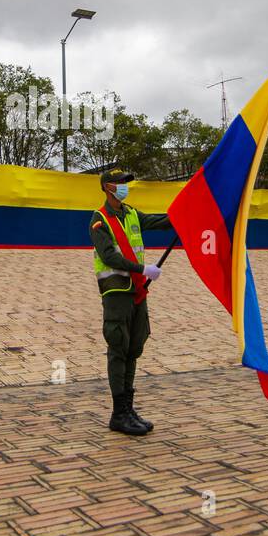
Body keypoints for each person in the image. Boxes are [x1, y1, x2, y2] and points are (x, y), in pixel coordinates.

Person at [90, 169, 171, 436]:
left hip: (137, 291)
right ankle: (118, 413)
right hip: (117, 292)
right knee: (118, 347)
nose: (125, 186)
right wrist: (143, 269)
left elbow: (160, 221)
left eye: (127, 182)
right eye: (121, 182)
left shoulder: (132, 213)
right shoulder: (99, 221)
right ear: (106, 187)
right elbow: (110, 257)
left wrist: (184, 216)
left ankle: (128, 408)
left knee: (135, 347)